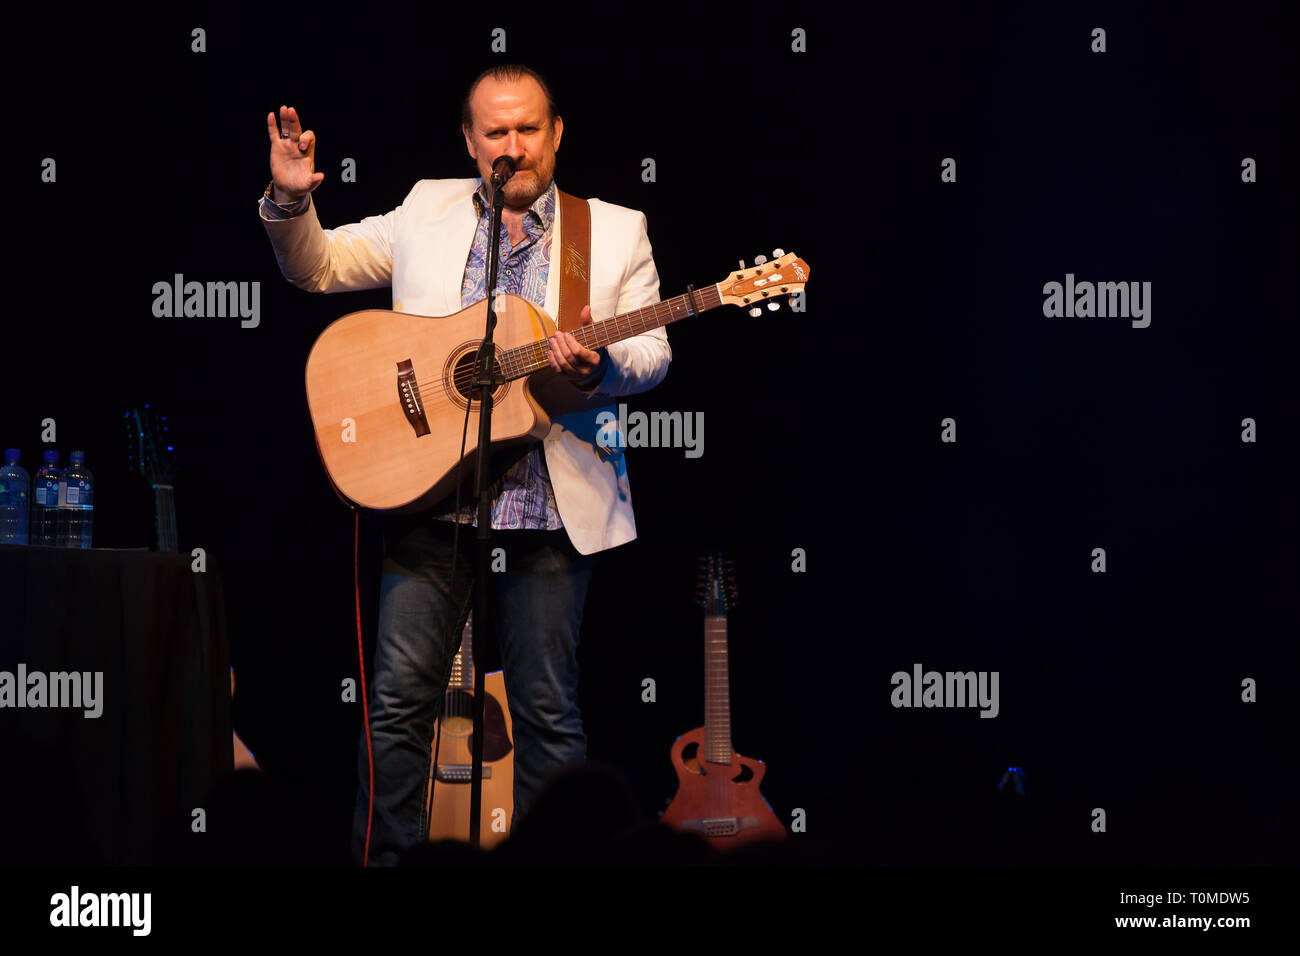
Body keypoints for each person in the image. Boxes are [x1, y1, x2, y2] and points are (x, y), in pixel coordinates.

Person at [258, 64, 670, 865]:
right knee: (396, 709)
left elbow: (653, 351)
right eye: (495, 133)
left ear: (555, 134)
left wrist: (601, 369)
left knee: (549, 714)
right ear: (469, 141)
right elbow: (318, 268)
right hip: (431, 503)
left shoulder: (613, 231)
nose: (512, 147)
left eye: (528, 130)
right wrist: (290, 201)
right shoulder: (426, 207)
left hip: (551, 506)